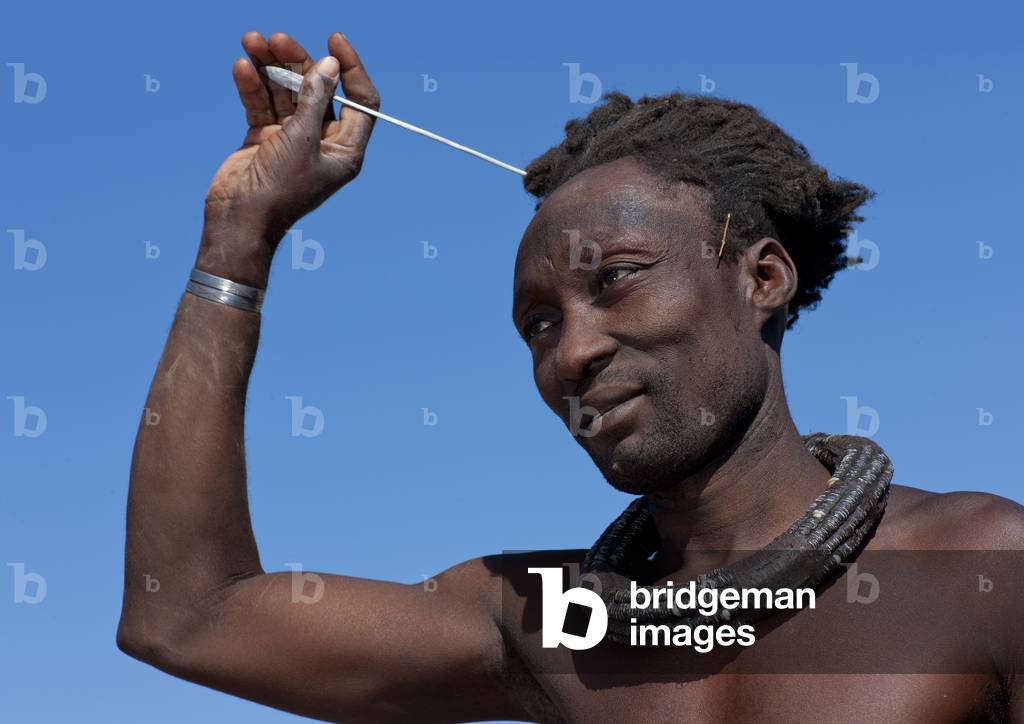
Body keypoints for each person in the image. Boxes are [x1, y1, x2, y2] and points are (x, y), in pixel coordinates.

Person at [116, 30, 1024, 723]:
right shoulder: (547, 624)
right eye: (538, 324)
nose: (571, 352)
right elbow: (188, 615)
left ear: (763, 277)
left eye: (616, 280)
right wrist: (238, 239)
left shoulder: (981, 566)